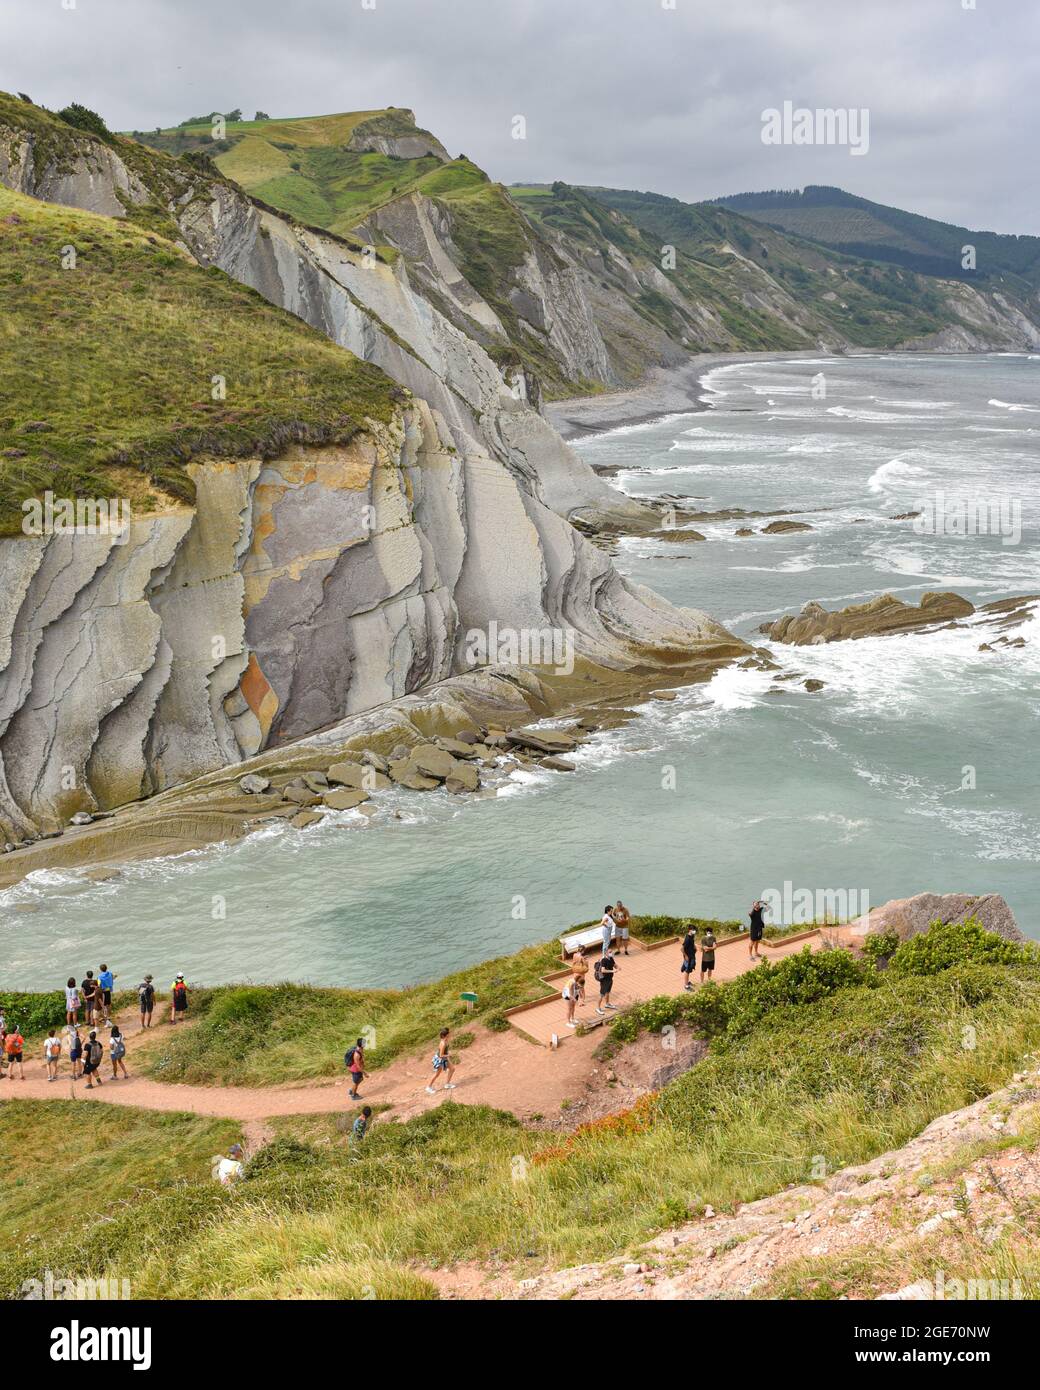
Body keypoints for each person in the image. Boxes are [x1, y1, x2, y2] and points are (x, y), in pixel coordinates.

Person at [426, 1028, 456, 1093]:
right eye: (449, 1033)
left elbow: (444, 1051)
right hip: (440, 1060)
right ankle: (428, 1087)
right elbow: (441, 1055)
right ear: (446, 1035)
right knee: (437, 1074)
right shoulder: (443, 1043)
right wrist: (449, 1055)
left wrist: (447, 1055)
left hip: (444, 1058)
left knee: (452, 1069)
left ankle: (447, 1084)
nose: (450, 1033)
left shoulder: (445, 1040)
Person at [595, 949, 618, 1014]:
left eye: (611, 952)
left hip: (610, 979)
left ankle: (607, 1004)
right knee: (602, 994)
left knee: (608, 992)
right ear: (606, 953)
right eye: (610, 952)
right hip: (604, 980)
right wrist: (612, 971)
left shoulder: (611, 958)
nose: (611, 953)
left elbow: (614, 965)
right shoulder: (604, 960)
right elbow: (603, 970)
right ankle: (598, 1008)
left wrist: (618, 967)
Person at [680, 927, 697, 991]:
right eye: (693, 930)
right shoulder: (687, 939)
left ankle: (687, 981)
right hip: (688, 957)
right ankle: (686, 986)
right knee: (687, 971)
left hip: (691, 956)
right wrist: (686, 956)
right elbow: (682, 949)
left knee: (689, 968)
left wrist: (695, 947)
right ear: (689, 930)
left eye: (694, 930)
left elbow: (692, 943)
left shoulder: (691, 936)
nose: (694, 931)